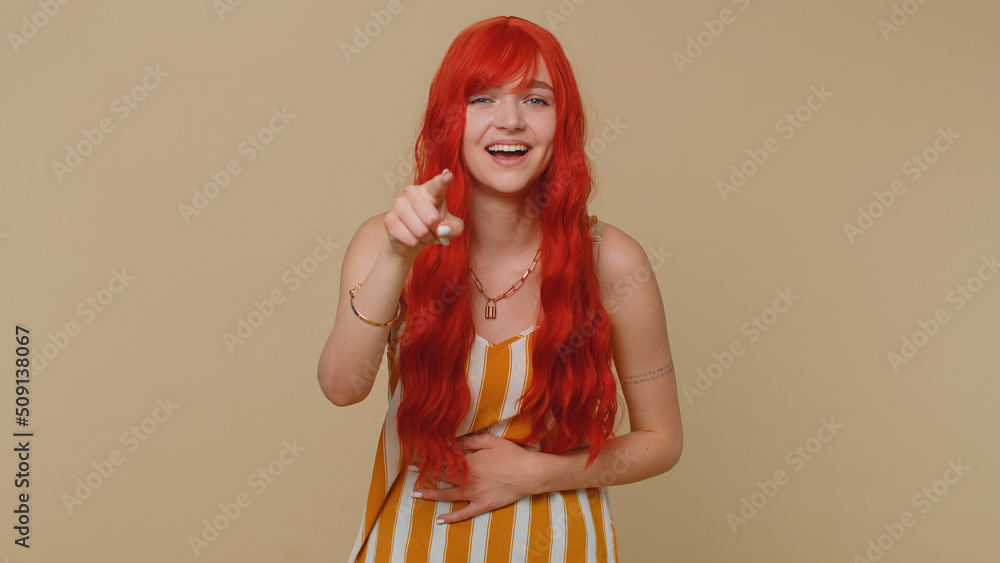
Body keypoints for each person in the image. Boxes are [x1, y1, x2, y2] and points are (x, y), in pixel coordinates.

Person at [318, 15, 682, 562]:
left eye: (536, 100)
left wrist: (537, 474)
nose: (509, 121)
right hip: (413, 542)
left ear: (562, 122)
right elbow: (342, 387)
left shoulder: (611, 260)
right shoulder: (387, 240)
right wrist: (397, 256)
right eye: (482, 98)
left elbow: (663, 441)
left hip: (559, 543)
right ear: (449, 119)